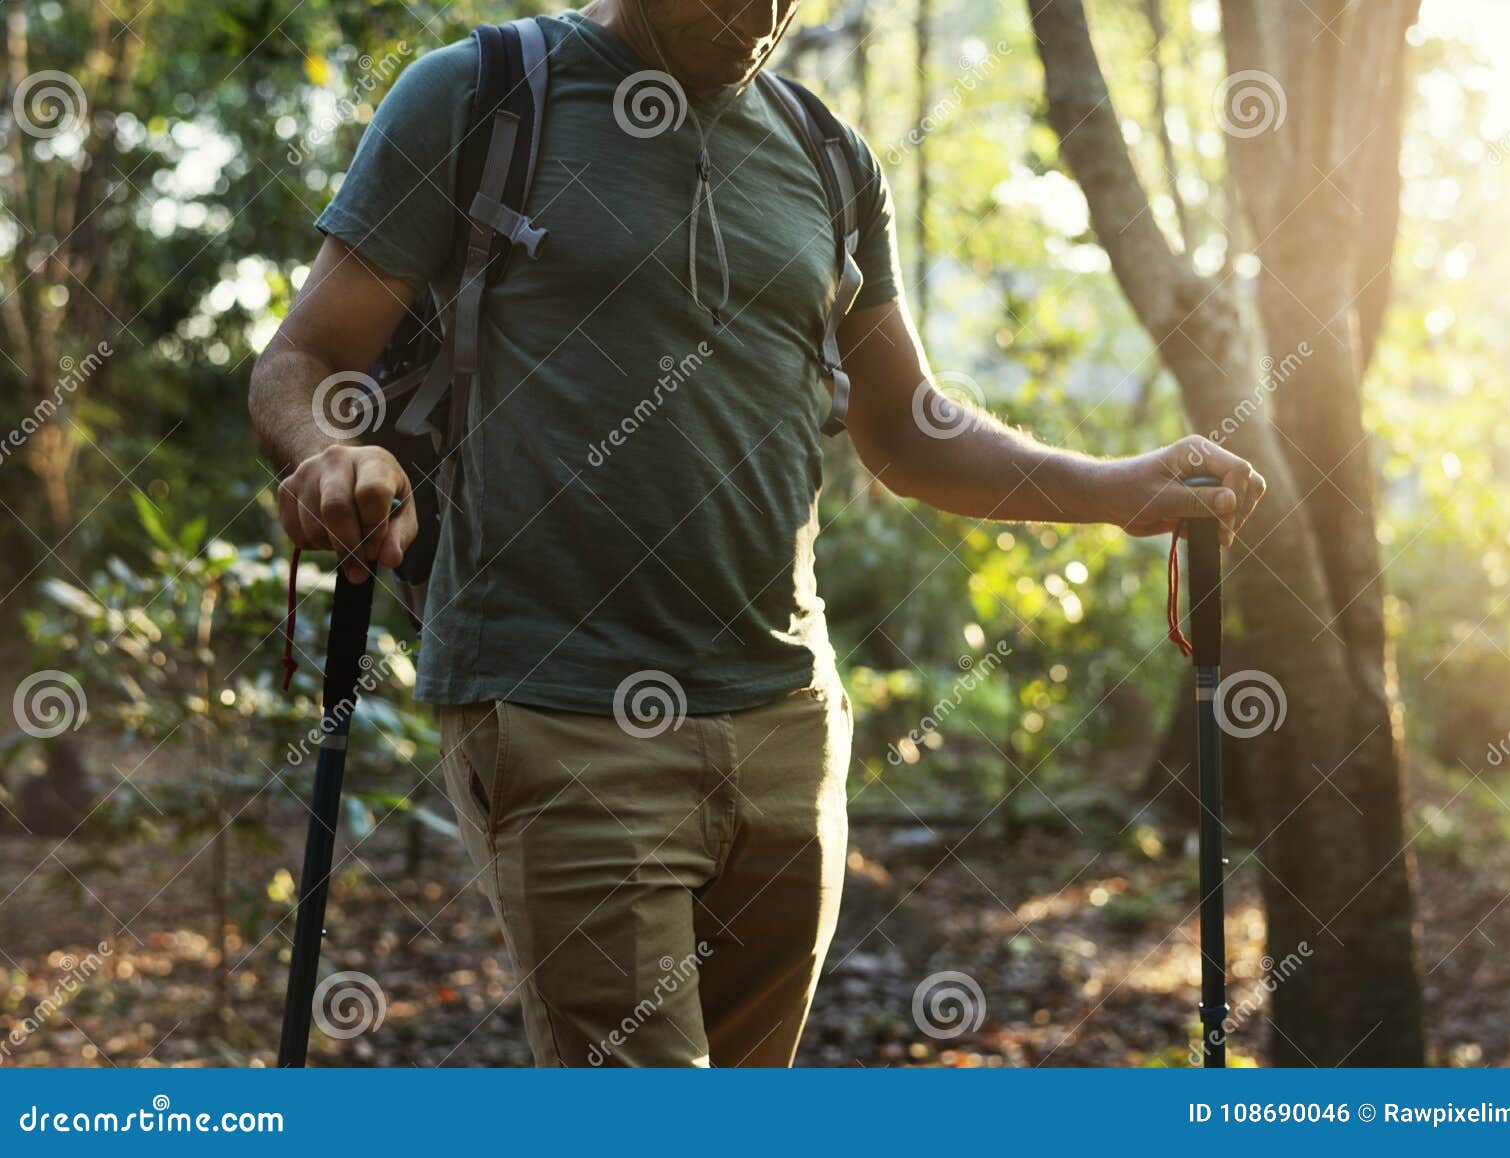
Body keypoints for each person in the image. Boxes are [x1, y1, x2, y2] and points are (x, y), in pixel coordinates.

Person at [248, 0, 1266, 1066]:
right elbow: (300, 362)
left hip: (786, 721)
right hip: (561, 711)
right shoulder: (482, 95)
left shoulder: (825, 156)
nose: (761, 16)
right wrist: (330, 451)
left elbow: (909, 435)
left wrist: (1116, 489)